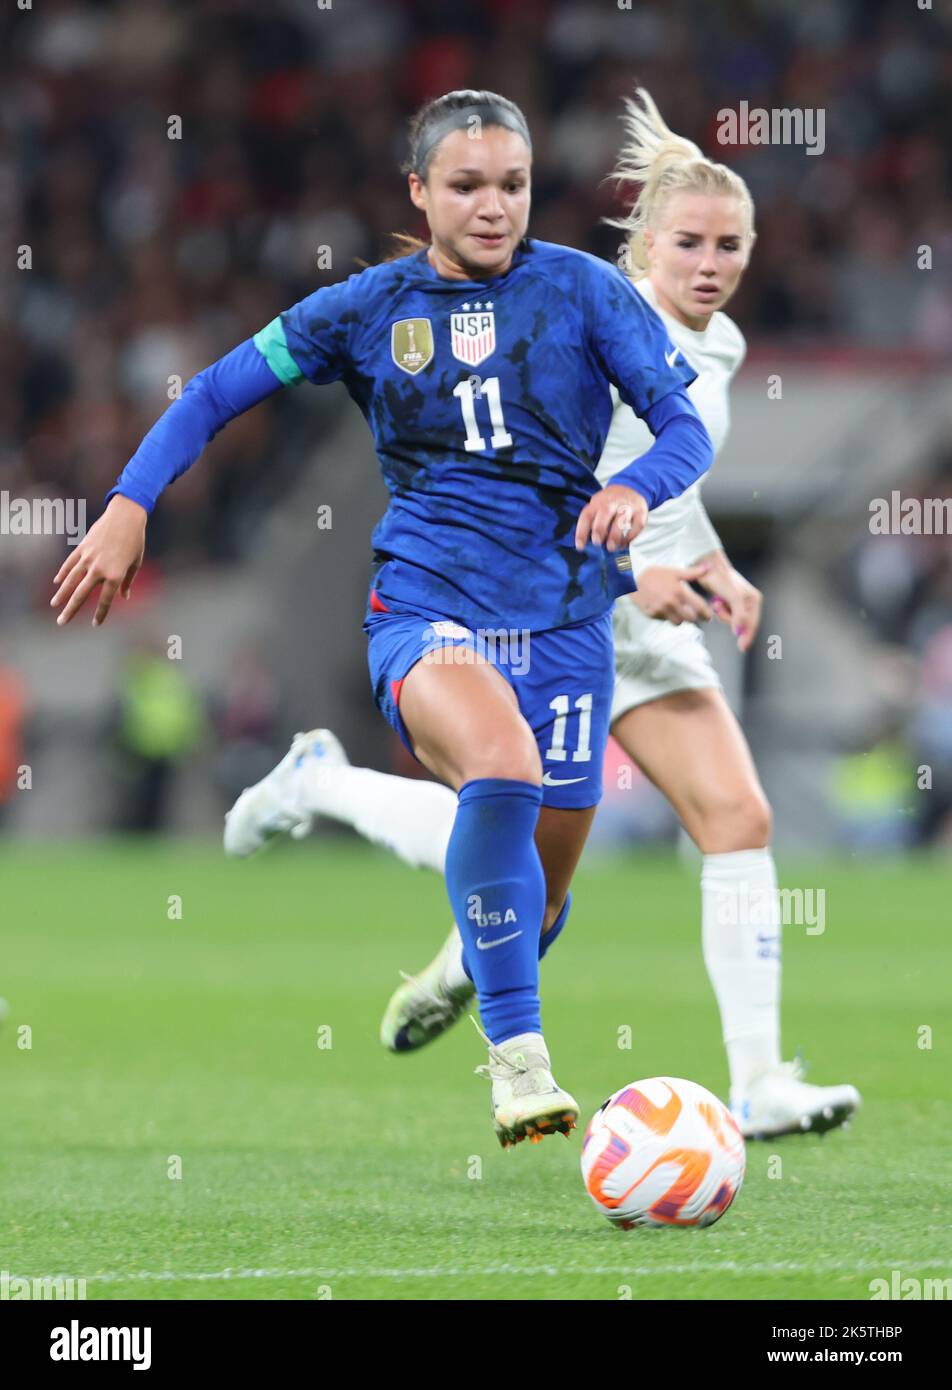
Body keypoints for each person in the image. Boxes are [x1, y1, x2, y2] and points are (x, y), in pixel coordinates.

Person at [51, 90, 713, 1149]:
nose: (494, 207)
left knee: (536, 905)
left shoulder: (585, 293)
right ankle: (520, 1064)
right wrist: (131, 502)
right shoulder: (364, 310)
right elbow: (213, 390)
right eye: (466, 185)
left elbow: (683, 426)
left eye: (513, 185)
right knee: (500, 769)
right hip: (425, 599)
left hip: (564, 615)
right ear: (418, 191)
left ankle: (382, 862)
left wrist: (637, 485)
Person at [228, 90, 859, 1141]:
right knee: (507, 809)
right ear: (642, 247)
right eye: (689, 244)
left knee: (726, 821)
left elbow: (662, 477)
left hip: (639, 612)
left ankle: (755, 1081)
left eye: (731, 246)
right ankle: (324, 782)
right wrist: (630, 573)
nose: (710, 265)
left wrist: (705, 560)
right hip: (550, 599)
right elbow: (539, 469)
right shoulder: (576, 313)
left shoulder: (723, 347)